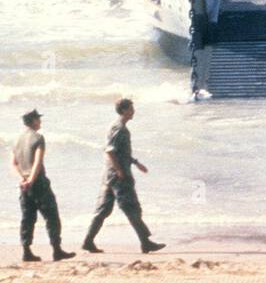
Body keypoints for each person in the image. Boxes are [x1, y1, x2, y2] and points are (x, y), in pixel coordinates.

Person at [82, 99, 165, 254]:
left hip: (109, 175)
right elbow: (110, 151)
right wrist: (120, 171)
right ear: (124, 110)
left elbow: (120, 152)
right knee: (131, 208)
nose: (133, 111)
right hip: (118, 177)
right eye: (131, 109)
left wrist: (135, 162)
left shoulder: (117, 127)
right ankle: (146, 243)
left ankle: (88, 241)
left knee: (103, 210)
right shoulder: (120, 129)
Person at [11, 110, 74, 262]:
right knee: (51, 216)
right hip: (38, 182)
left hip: (24, 184)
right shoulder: (38, 137)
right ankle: (57, 250)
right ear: (33, 121)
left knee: (27, 218)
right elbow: (37, 162)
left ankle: (26, 251)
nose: (40, 122)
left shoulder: (17, 139)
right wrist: (32, 180)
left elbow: (14, 164)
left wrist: (23, 180)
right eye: (38, 119)